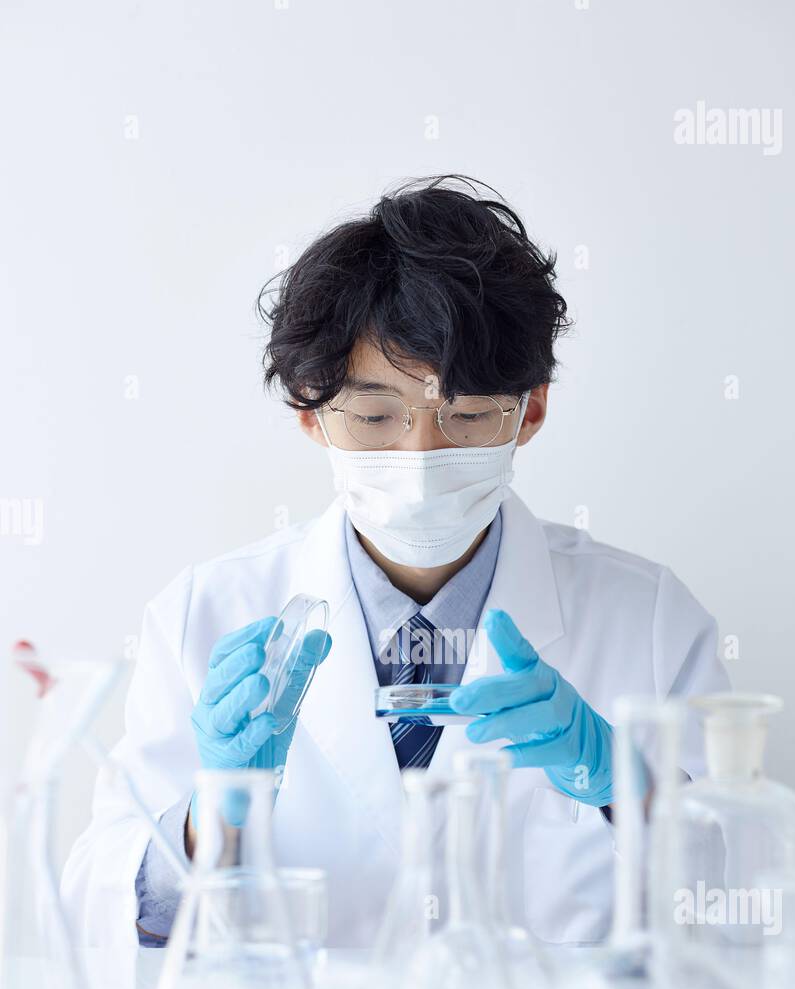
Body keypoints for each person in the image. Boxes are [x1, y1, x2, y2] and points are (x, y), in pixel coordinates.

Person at [62, 176, 728, 948]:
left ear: (531, 410)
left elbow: (742, 910)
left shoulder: (648, 621)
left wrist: (623, 787)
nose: (420, 457)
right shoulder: (203, 614)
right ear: (312, 413)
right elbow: (98, 912)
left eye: (469, 415)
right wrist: (213, 815)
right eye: (376, 415)